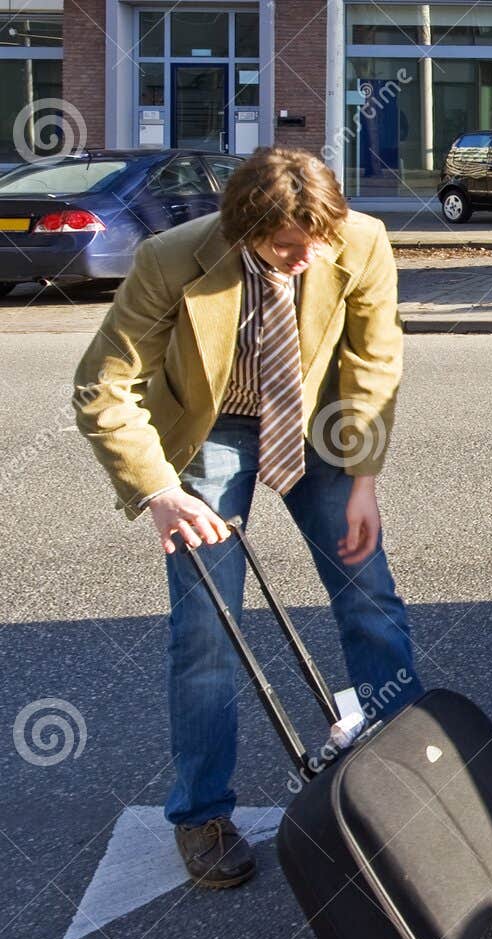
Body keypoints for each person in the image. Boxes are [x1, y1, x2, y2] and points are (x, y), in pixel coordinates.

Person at [73, 145, 420, 889]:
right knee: (205, 627)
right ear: (243, 231)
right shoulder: (172, 259)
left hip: (319, 426)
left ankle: (411, 777)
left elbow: (374, 360)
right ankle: (202, 812)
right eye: (287, 246)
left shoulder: (358, 240)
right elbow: (101, 385)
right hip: (211, 429)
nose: (305, 257)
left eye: (316, 242)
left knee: (371, 598)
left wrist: (364, 478)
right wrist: (159, 489)